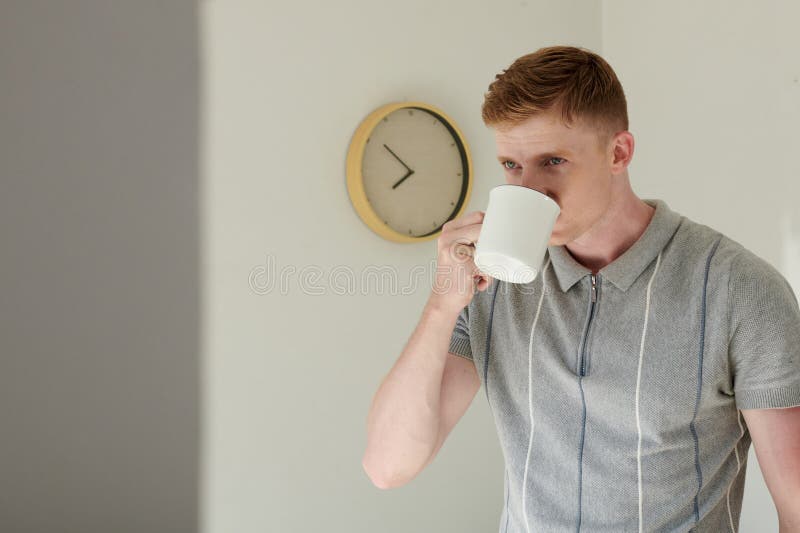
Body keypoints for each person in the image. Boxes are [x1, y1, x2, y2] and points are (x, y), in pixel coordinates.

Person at [361, 45, 800, 532]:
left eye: (552, 160)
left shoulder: (741, 291)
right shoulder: (488, 287)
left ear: (619, 152)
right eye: (511, 164)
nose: (529, 189)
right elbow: (388, 466)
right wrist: (443, 304)